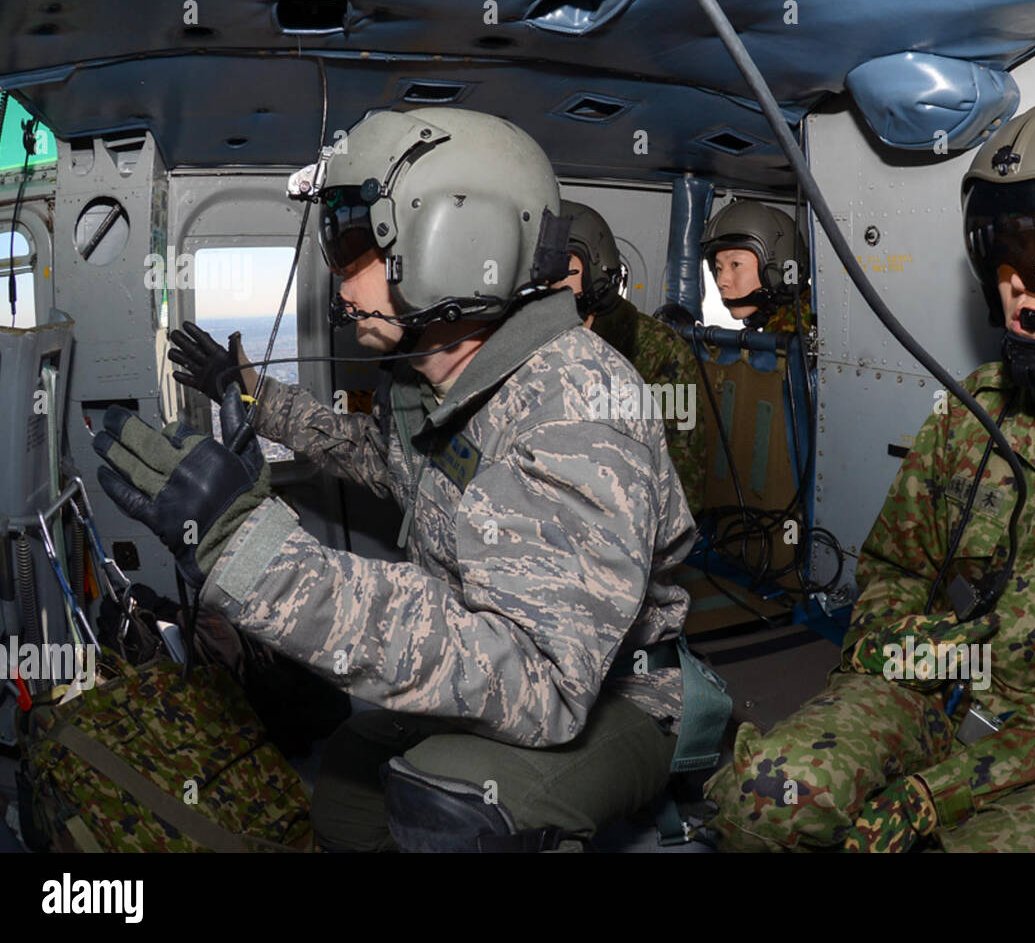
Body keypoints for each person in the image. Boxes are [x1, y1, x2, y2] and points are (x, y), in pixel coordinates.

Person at [95, 106, 704, 852]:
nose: (336, 275)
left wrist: (253, 556)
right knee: (348, 790)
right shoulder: (429, 381)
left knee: (444, 802)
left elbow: (541, 682)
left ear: (454, 241)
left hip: (619, 696)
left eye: (355, 243)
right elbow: (378, 455)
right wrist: (257, 395)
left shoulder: (575, 407)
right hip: (491, 652)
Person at [702, 100, 1035, 852]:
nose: (1016, 299)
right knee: (761, 803)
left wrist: (941, 790)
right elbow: (895, 568)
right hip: (931, 689)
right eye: (1003, 265)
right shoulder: (971, 410)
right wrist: (899, 647)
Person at [553, 199, 707, 515]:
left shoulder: (659, 349)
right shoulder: (529, 340)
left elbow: (684, 468)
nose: (548, 278)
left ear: (596, 265)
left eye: (560, 263)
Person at [700, 199, 810, 334]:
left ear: (786, 270)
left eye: (735, 264)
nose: (721, 282)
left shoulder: (793, 331)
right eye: (719, 268)